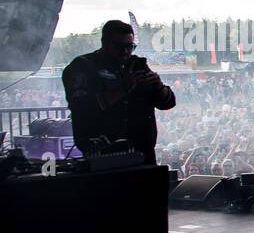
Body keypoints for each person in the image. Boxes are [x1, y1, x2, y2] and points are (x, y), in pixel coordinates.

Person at [62, 20, 176, 163]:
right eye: (119, 46)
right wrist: (122, 88)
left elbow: (168, 103)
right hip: (103, 154)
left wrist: (159, 86)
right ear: (104, 42)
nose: (125, 51)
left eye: (130, 46)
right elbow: (81, 108)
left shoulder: (136, 65)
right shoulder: (82, 67)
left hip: (142, 152)